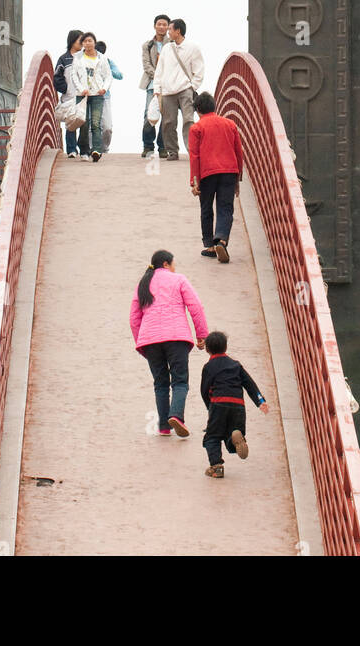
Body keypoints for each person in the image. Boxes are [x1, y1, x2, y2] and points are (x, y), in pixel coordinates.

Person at [129, 249, 209, 437]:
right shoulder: (178, 279)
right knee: (180, 381)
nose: (174, 268)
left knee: (160, 383)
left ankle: (164, 426)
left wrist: (141, 343)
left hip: (150, 341)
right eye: (173, 265)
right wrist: (201, 334)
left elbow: (134, 318)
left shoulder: (143, 283)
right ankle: (177, 416)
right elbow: (195, 306)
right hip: (177, 338)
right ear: (166, 264)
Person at [200, 330, 269, 478]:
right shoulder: (235, 365)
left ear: (207, 349)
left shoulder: (208, 367)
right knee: (233, 432)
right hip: (238, 405)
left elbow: (204, 390)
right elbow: (250, 384)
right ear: (226, 347)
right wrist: (260, 401)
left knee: (212, 436)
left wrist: (209, 407)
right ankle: (235, 438)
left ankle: (217, 467)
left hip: (218, 404)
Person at [188, 92, 244, 263]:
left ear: (197, 109)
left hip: (207, 173)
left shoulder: (196, 128)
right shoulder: (230, 124)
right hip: (229, 171)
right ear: (215, 106)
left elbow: (194, 156)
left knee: (206, 208)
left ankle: (210, 246)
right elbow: (238, 152)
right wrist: (238, 178)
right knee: (225, 207)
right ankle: (221, 240)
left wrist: (194, 181)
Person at [152, 19, 204, 161]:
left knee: (188, 120)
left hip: (185, 89)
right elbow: (160, 70)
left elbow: (199, 69)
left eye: (170, 29)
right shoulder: (167, 48)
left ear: (178, 31)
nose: (168, 32)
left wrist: (192, 87)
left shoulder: (193, 47)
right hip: (168, 91)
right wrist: (157, 88)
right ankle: (172, 151)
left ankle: (192, 150)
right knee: (168, 122)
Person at [69, 32, 112, 162]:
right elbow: (74, 75)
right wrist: (81, 89)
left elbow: (108, 75)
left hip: (97, 95)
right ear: (82, 44)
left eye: (90, 41)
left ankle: (96, 150)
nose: (87, 43)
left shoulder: (102, 58)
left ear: (94, 42)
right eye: (85, 41)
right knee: (83, 123)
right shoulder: (77, 58)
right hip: (82, 95)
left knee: (95, 123)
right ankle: (84, 150)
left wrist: (104, 88)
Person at [139, 14, 170, 159]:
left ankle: (163, 147)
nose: (162, 27)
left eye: (165, 24)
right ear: (154, 26)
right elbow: (146, 65)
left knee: (166, 116)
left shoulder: (172, 44)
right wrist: (158, 76)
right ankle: (148, 146)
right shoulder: (147, 45)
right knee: (148, 114)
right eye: (159, 24)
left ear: (169, 27)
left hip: (169, 86)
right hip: (152, 85)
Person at [54, 29, 83, 158]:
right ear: (72, 41)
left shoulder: (85, 57)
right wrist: (65, 88)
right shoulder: (64, 59)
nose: (82, 43)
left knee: (84, 122)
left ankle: (84, 149)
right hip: (69, 96)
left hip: (83, 95)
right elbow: (56, 77)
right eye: (79, 40)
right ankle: (71, 149)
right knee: (71, 123)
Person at [95, 40, 122, 153]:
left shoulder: (108, 62)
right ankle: (94, 149)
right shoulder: (85, 61)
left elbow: (119, 75)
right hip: (91, 97)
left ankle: (104, 148)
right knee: (93, 126)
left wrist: (106, 68)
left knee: (107, 127)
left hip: (105, 97)